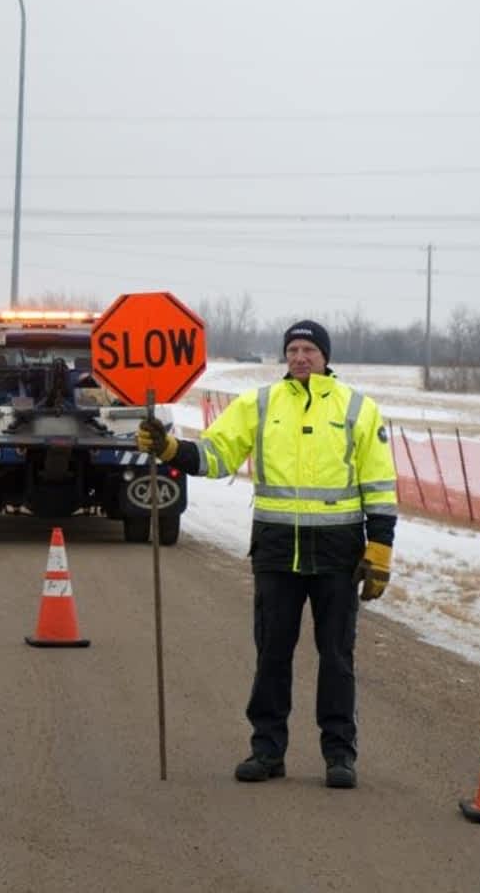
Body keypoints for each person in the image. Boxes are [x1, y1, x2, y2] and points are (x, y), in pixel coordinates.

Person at [137, 320, 396, 790]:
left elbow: (379, 484)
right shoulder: (259, 404)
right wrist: (171, 449)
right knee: (272, 655)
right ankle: (267, 750)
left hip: (338, 556)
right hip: (277, 553)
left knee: (336, 657)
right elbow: (215, 456)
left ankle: (339, 755)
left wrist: (380, 548)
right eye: (293, 349)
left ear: (325, 357)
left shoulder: (358, 408)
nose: (300, 357)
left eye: (309, 350)